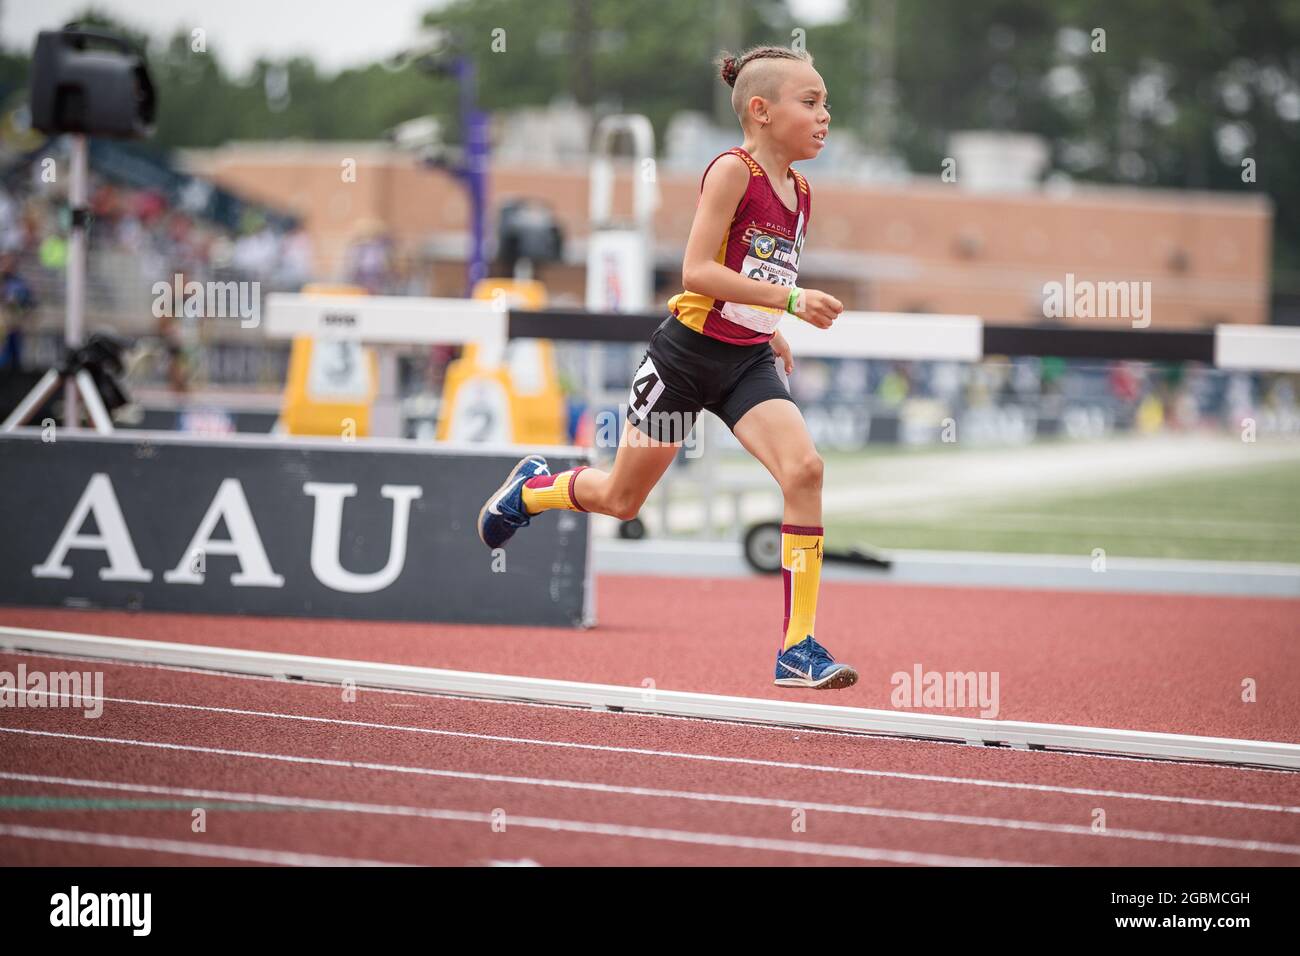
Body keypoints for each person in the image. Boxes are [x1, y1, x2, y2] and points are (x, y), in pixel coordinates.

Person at [478, 45, 854, 689]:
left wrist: (773, 328)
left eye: (827, 105)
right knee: (622, 500)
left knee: (805, 469)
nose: (826, 117)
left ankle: (799, 647)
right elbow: (698, 271)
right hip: (685, 360)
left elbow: (759, 270)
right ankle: (533, 490)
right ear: (760, 111)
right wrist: (789, 301)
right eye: (811, 103)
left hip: (747, 362)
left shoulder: (804, 191)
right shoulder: (731, 172)